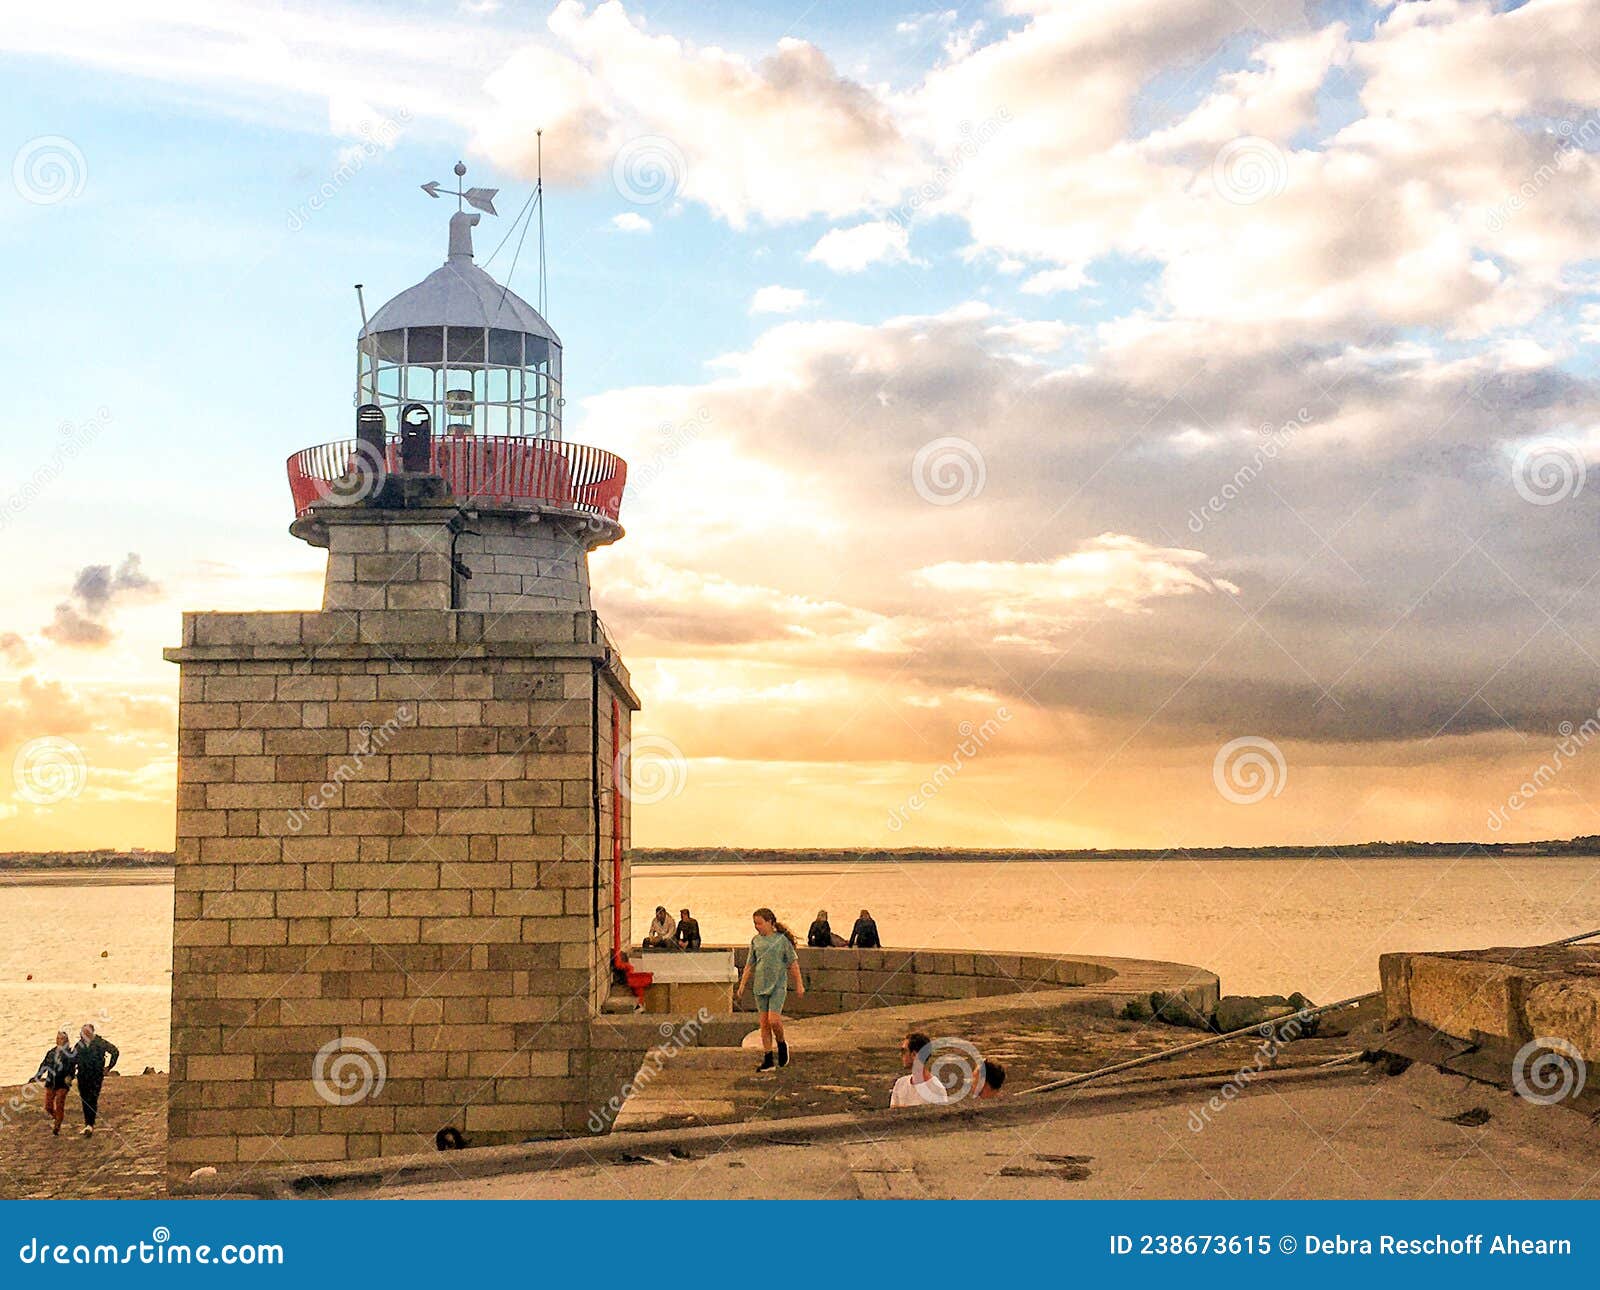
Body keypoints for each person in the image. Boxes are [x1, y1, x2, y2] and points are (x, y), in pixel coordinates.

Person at [737, 907, 804, 1072]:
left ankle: (781, 1044)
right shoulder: (755, 941)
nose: (757, 926)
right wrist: (742, 985)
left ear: (770, 922)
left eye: (759, 923)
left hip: (778, 986)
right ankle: (768, 1059)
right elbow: (749, 965)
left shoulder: (781, 941)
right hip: (760, 986)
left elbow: (793, 964)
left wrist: (799, 984)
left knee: (774, 1020)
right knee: (764, 1024)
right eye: (755, 923)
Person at [72, 1023, 118, 1136]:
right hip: (82, 1075)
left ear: (92, 1032)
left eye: (87, 1032)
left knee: (92, 1098)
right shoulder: (79, 1045)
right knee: (84, 1099)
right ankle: (87, 1124)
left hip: (96, 1075)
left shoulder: (100, 1042)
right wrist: (69, 1074)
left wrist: (109, 1067)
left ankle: (90, 1125)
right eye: (83, 1032)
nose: (84, 1034)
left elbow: (115, 1052)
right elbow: (72, 1060)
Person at [30, 1031, 76, 1136]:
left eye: (62, 1039)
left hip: (63, 1084)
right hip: (50, 1082)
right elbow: (44, 1065)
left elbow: (72, 1069)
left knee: (60, 1103)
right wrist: (38, 1076)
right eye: (58, 1038)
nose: (59, 1041)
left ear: (66, 1041)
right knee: (48, 1106)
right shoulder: (51, 1053)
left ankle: (57, 1126)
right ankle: (57, 1118)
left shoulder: (70, 1054)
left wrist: (69, 1078)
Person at [890, 1031, 950, 1108]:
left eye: (904, 1051)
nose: (901, 1055)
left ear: (914, 1055)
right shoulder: (900, 1084)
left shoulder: (936, 1090)